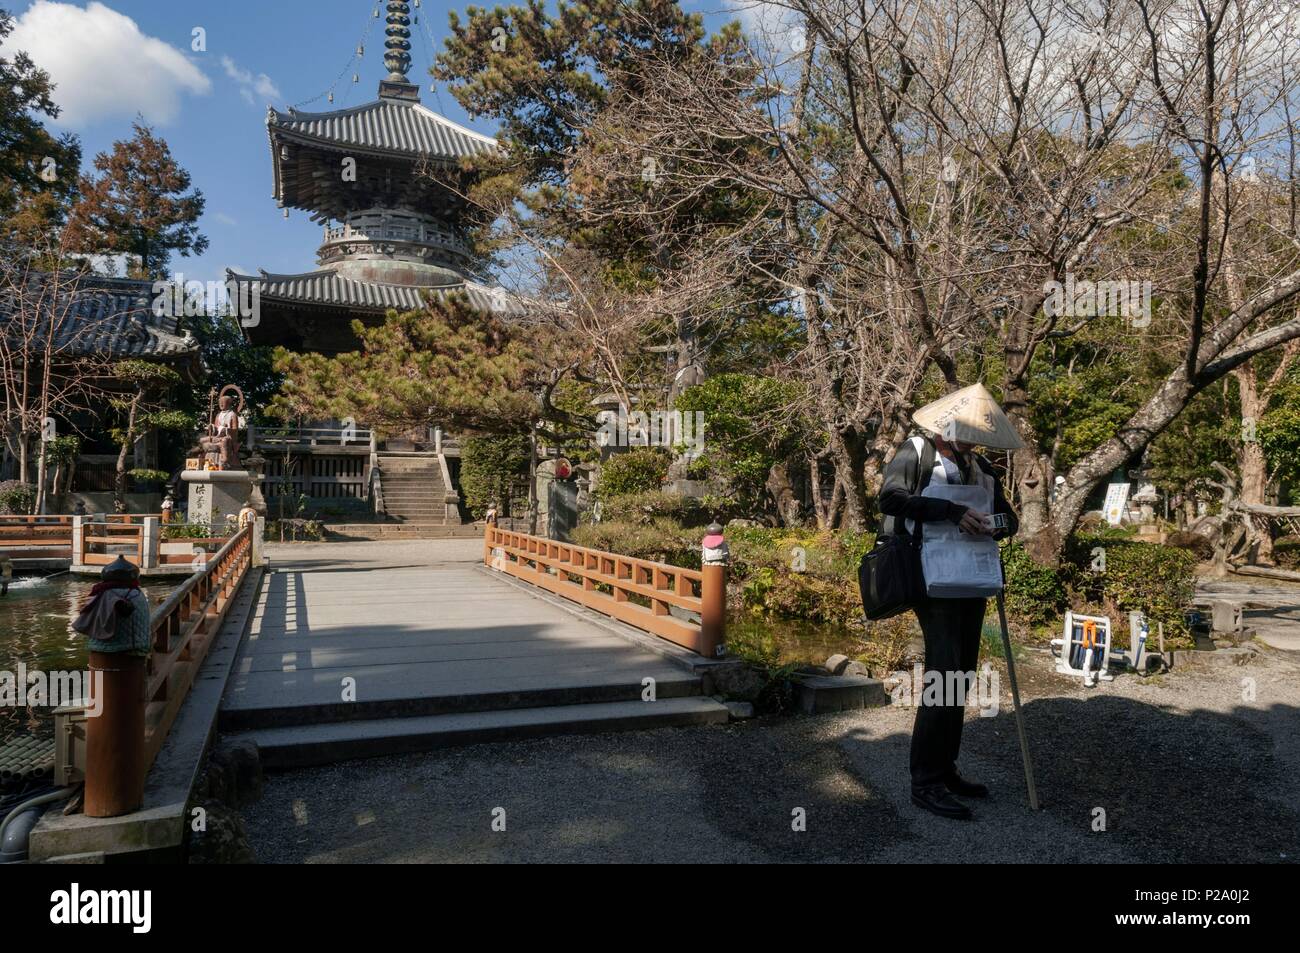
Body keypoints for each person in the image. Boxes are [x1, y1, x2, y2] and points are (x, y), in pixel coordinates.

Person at [878, 383, 1021, 821]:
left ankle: (946, 768)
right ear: (946, 423)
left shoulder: (980, 467)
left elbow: (1009, 520)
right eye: (964, 432)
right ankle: (925, 781)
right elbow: (890, 498)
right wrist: (951, 512)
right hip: (929, 575)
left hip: (971, 578)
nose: (969, 441)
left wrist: (991, 524)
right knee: (943, 669)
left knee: (962, 673)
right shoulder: (915, 452)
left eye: (976, 434)